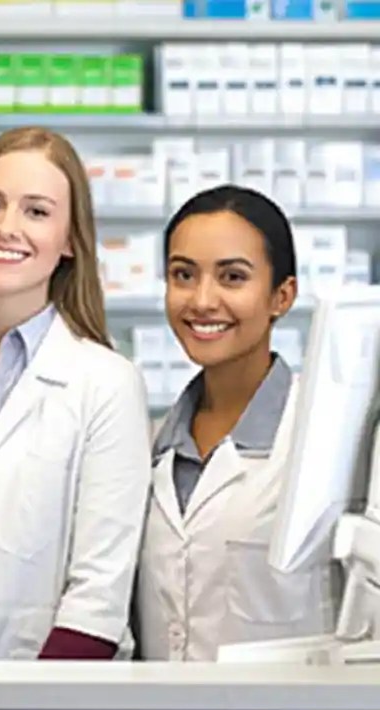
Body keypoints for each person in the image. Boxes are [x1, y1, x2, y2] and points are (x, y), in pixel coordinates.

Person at [0, 126, 153, 660]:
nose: (7, 227)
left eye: (36, 211)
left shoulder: (106, 384)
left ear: (71, 240)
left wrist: (36, 705)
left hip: (32, 695)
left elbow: (98, 593)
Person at [135, 184, 336, 661]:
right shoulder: (150, 443)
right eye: (183, 274)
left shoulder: (323, 438)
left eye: (232, 277)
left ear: (281, 296)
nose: (202, 300)